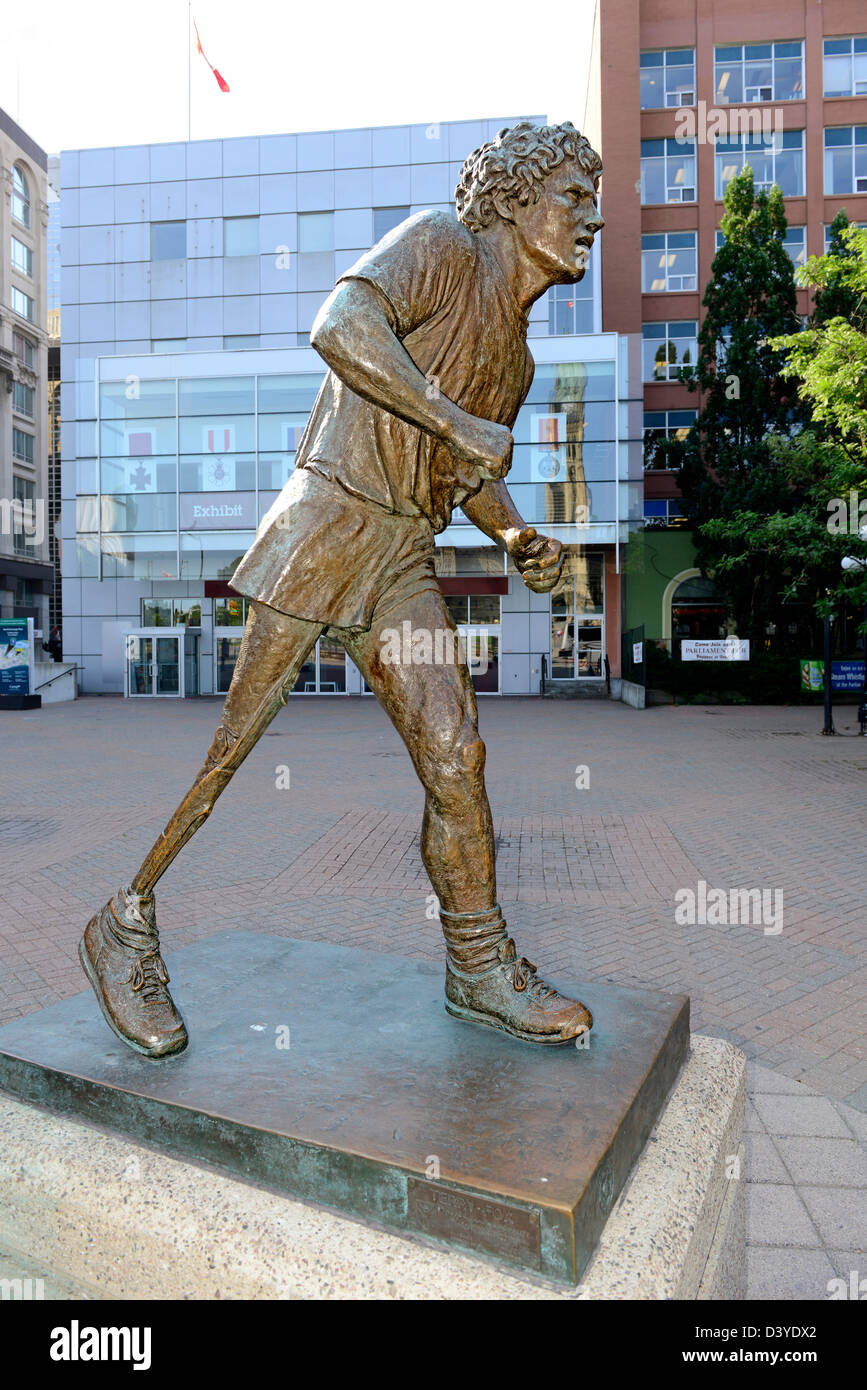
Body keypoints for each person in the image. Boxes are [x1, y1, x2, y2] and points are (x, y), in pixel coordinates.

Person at [80, 121, 605, 1058]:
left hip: (400, 554)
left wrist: (516, 531)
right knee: (228, 754)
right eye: (573, 196)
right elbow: (340, 325)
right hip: (327, 523)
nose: (589, 219)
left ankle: (477, 967)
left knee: (456, 755)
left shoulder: (516, 358)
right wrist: (450, 418)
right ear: (516, 201)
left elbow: (463, 473)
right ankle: (123, 922)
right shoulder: (439, 242)